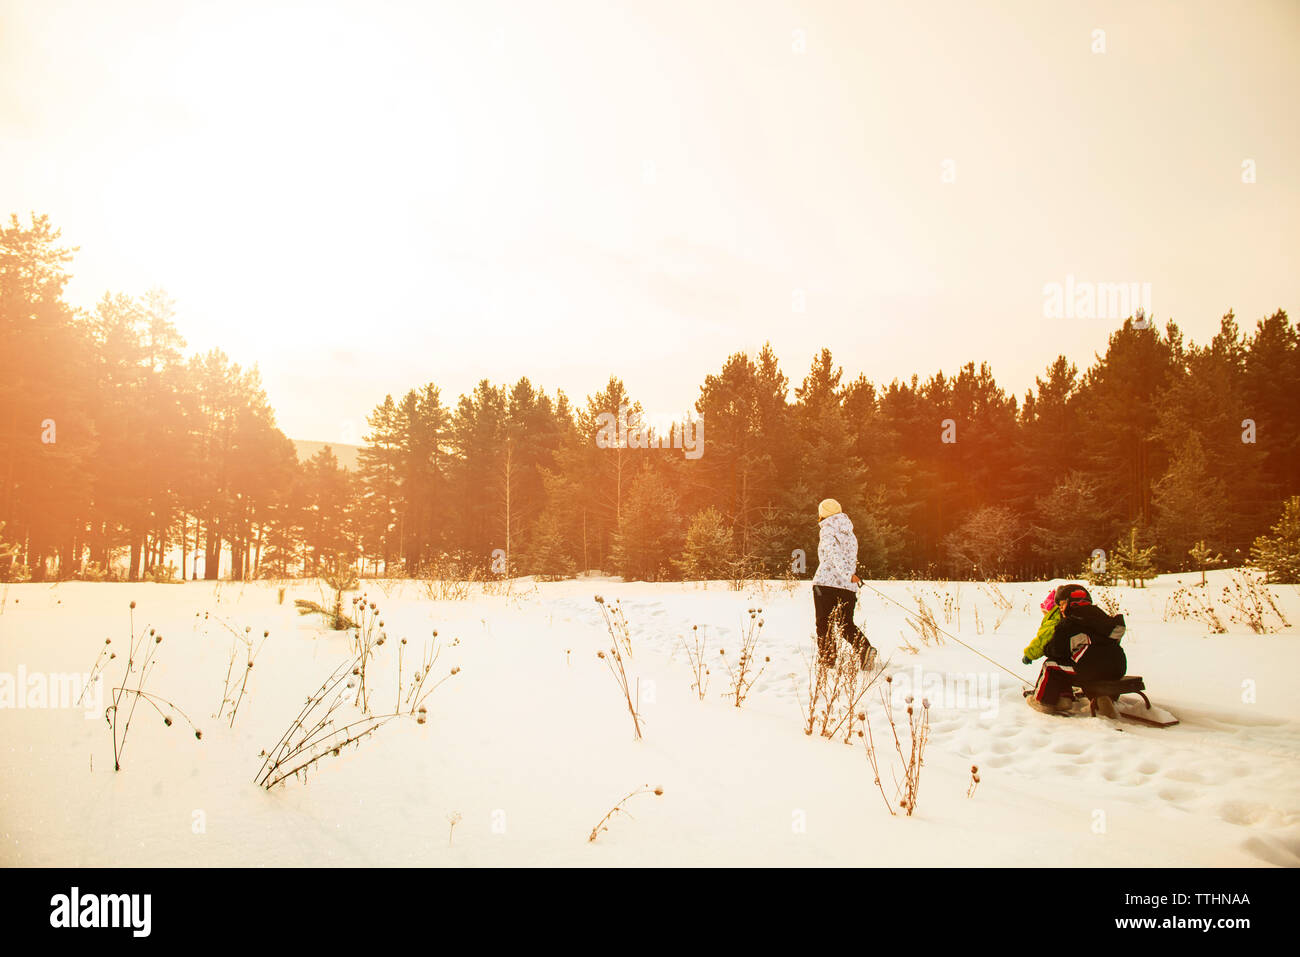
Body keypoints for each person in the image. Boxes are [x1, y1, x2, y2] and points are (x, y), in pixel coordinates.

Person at [1022, 583, 1127, 717]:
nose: (1060, 609)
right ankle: (1102, 700)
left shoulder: (1069, 623)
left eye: (1061, 605)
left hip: (1090, 670)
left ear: (1068, 604)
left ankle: (1043, 701)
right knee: (1083, 662)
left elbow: (1056, 650)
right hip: (1117, 669)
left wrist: (1048, 649)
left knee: (1051, 665)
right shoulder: (1104, 618)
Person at [811, 498, 874, 669]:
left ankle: (827, 660)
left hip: (825, 584)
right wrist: (850, 576)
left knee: (824, 623)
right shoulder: (849, 532)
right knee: (846, 624)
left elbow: (833, 553)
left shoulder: (827, 530)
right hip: (847, 586)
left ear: (822, 514)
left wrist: (848, 574)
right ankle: (865, 649)